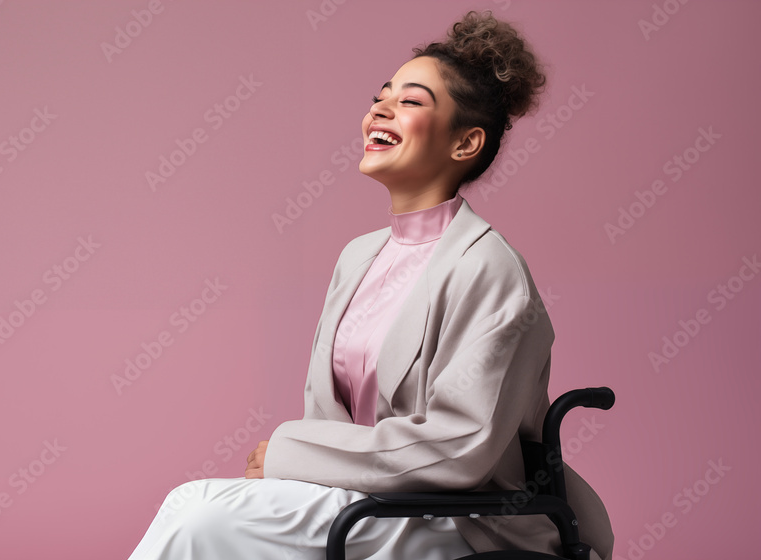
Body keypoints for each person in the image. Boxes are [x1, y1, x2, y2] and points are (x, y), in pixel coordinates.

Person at [128, 10, 613, 560]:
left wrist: (292, 453)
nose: (380, 109)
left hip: (461, 519)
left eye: (410, 102)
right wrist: (304, 463)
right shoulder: (358, 257)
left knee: (200, 514)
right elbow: (328, 418)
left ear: (465, 143)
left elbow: (461, 448)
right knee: (193, 509)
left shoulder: (489, 269)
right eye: (380, 97)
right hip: (360, 502)